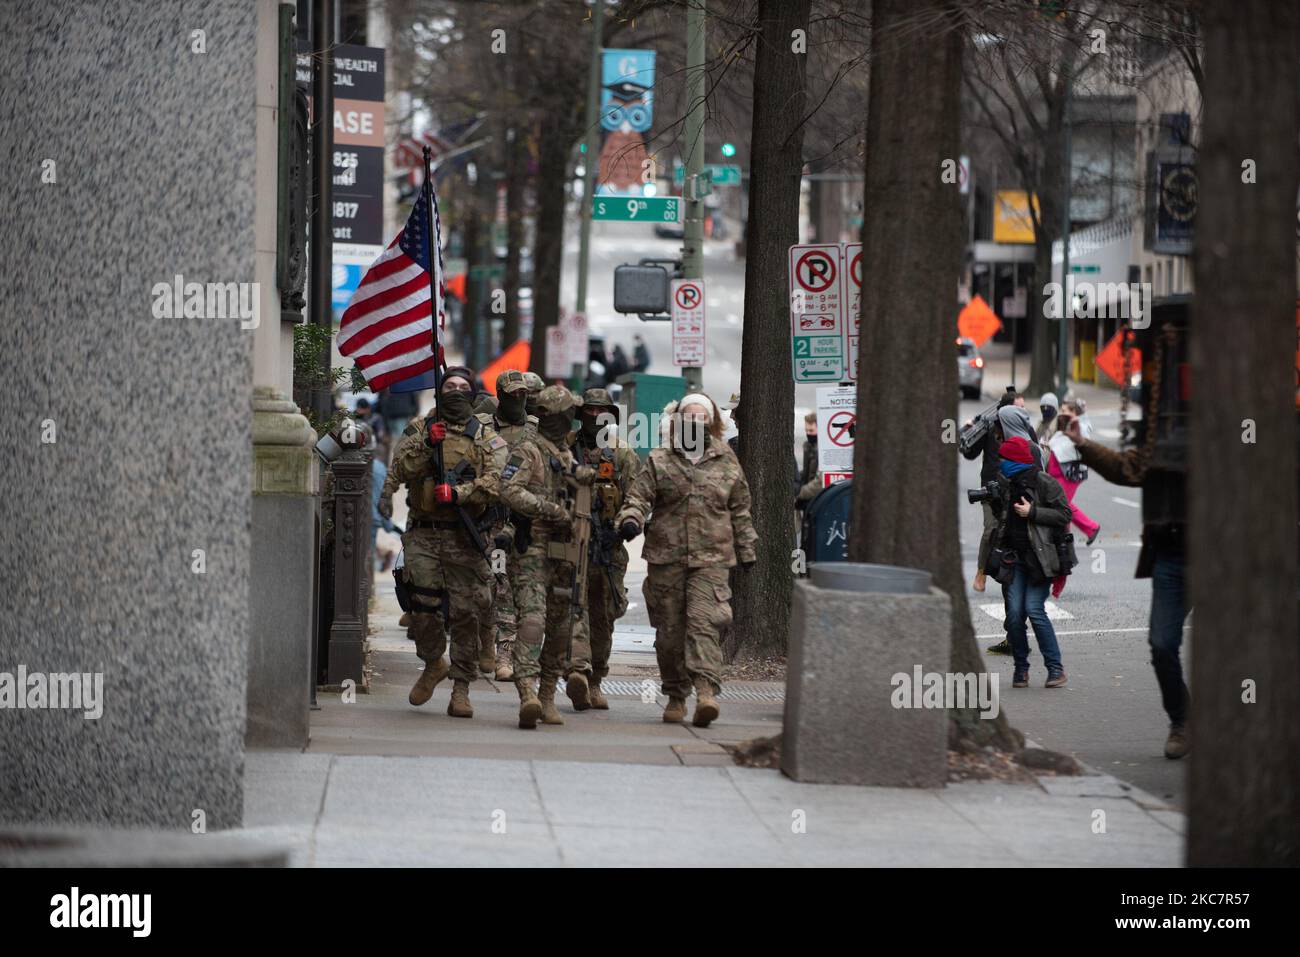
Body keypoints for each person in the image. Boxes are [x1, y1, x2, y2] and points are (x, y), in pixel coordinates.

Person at [616, 394, 758, 727]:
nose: (694, 422)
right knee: (669, 632)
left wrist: (748, 549)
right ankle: (676, 694)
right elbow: (638, 496)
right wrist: (631, 519)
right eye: (688, 416)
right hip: (667, 558)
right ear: (678, 420)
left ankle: (706, 692)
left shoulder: (726, 460)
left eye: (700, 417)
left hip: (711, 559)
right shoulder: (660, 459)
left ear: (712, 423)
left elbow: (740, 508)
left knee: (703, 623)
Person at [378, 365, 506, 718]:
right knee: (423, 610)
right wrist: (426, 446)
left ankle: (462, 689)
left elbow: (497, 482)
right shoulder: (421, 429)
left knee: (467, 615)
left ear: (471, 393)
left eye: (462, 387)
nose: (455, 391)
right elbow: (399, 470)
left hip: (465, 536)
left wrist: (460, 493)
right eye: (449, 386)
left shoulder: (486, 436)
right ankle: (434, 662)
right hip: (424, 533)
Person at [1062, 412, 1189, 759]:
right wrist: (1082, 444)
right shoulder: (1164, 440)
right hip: (1171, 557)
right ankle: (1182, 721)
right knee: (1162, 644)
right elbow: (1125, 468)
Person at [500, 385, 595, 728]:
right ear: (557, 417)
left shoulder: (565, 453)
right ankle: (527, 691)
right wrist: (549, 509)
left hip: (565, 552)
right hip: (533, 548)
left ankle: (548, 694)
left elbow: (575, 484)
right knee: (533, 620)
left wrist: (581, 479)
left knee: (561, 624)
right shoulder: (528, 451)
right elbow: (508, 490)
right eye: (569, 412)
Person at [567, 388, 641, 710]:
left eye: (602, 411)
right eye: (589, 410)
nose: (595, 417)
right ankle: (578, 672)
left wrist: (624, 526)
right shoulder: (565, 449)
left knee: (603, 617)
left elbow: (638, 498)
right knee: (572, 610)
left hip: (608, 551)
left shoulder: (621, 454)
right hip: (572, 545)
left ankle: (596, 678)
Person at [989, 435, 1071, 689]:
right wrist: (995, 499)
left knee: (1034, 610)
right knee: (1014, 615)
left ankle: (1055, 668)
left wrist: (1032, 512)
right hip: (1015, 560)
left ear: (1015, 460)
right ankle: (1021, 668)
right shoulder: (1006, 483)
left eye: (1004, 458)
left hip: (1041, 560)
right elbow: (1001, 517)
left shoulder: (1044, 481)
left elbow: (1064, 514)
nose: (1000, 463)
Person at [488, 369, 538, 681]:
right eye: (512, 394)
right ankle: (502, 654)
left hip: (530, 522)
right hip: (494, 522)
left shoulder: (537, 429)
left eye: (523, 394)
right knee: (500, 587)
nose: (518, 399)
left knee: (530, 589)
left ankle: (528, 655)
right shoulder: (485, 429)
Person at [968, 390, 1024, 595]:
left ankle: (1015, 575)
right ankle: (981, 572)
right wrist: (968, 430)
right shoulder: (990, 428)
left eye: (1023, 407)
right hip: (991, 487)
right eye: (1019, 407)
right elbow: (969, 452)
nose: (1022, 411)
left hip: (1016, 486)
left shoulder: (1024, 429)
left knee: (1015, 530)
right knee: (991, 528)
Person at [1045, 399, 1101, 546]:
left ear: (1075, 413)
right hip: (1057, 473)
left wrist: (1078, 420)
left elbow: (1083, 440)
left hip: (1070, 473)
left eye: (1066, 411)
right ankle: (1084, 530)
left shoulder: (1081, 427)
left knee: (1062, 505)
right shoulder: (1065, 426)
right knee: (1062, 504)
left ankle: (1081, 530)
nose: (1062, 414)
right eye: (1061, 410)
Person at [378, 386, 419, 462]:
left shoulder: (386, 382)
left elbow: (381, 403)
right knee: (400, 443)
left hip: (393, 416)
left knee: (396, 442)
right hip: (402, 415)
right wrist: (414, 413)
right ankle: (395, 465)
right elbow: (414, 399)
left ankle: (393, 464)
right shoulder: (405, 382)